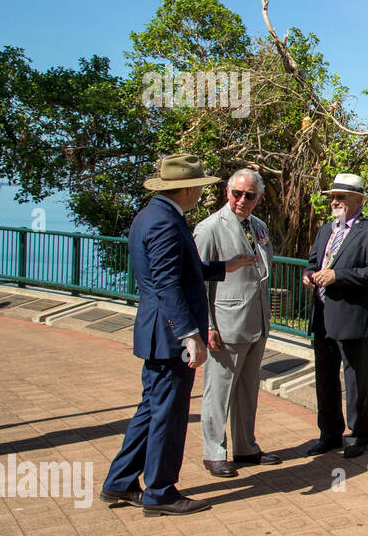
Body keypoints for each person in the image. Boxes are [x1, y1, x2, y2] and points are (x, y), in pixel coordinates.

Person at [100, 155, 257, 515]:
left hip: (156, 330)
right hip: (169, 333)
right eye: (199, 188)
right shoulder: (166, 224)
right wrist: (190, 334)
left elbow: (180, 270)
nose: (201, 194)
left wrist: (223, 267)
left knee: (150, 410)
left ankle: (120, 482)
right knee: (168, 414)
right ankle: (160, 492)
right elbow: (167, 283)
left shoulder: (152, 216)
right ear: (185, 188)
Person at [193, 168, 279, 477]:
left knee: (248, 388)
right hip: (225, 323)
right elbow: (196, 281)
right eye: (236, 194)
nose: (242, 200)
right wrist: (207, 326)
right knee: (219, 389)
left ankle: (246, 447)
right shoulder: (209, 228)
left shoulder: (258, 226)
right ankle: (214, 451)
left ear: (259, 198)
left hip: (256, 321)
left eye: (249, 196)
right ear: (227, 193)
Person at [301, 173, 368, 458]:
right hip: (322, 315)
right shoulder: (326, 230)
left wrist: (338, 276)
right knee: (325, 378)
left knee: (355, 379)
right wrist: (308, 275)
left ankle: (359, 433)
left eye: (341, 197)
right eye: (333, 197)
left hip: (352, 317)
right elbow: (313, 261)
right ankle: (329, 433)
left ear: (359, 200)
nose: (335, 202)